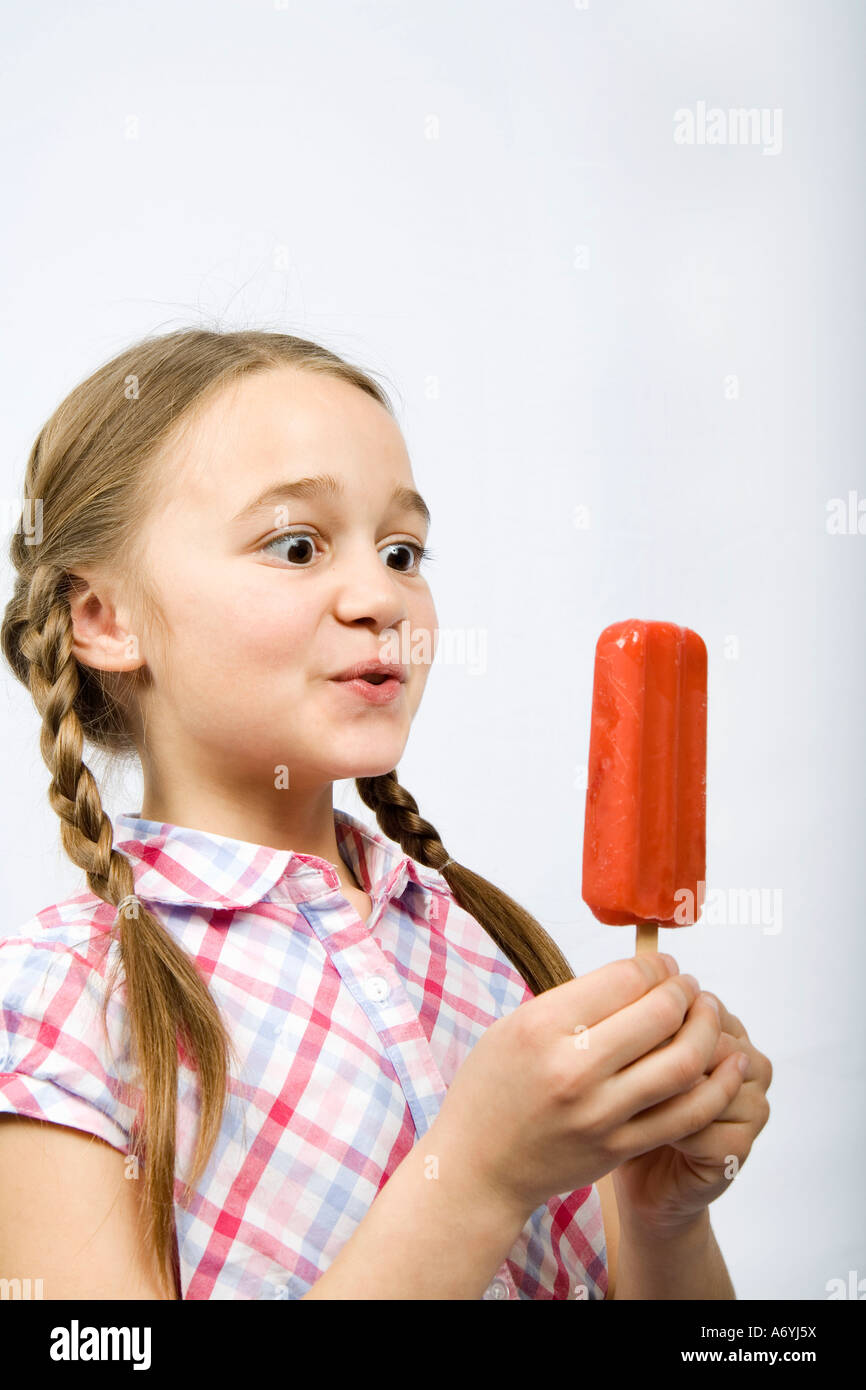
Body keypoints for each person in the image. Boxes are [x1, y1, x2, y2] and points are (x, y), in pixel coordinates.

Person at [0, 327, 772, 1300]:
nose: (379, 595)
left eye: (402, 550)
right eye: (295, 545)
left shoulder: (483, 957)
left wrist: (662, 1220)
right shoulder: (63, 1002)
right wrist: (479, 1180)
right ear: (104, 618)